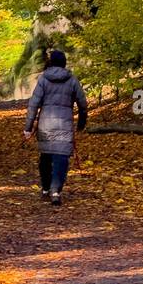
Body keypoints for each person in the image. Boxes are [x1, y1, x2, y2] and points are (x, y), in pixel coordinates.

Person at [22, 48, 88, 206]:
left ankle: (45, 188)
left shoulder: (43, 79)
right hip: (64, 124)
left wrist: (28, 127)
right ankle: (56, 190)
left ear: (50, 63)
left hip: (46, 124)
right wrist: (81, 123)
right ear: (64, 63)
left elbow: (33, 105)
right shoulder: (72, 80)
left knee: (45, 156)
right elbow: (83, 104)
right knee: (61, 157)